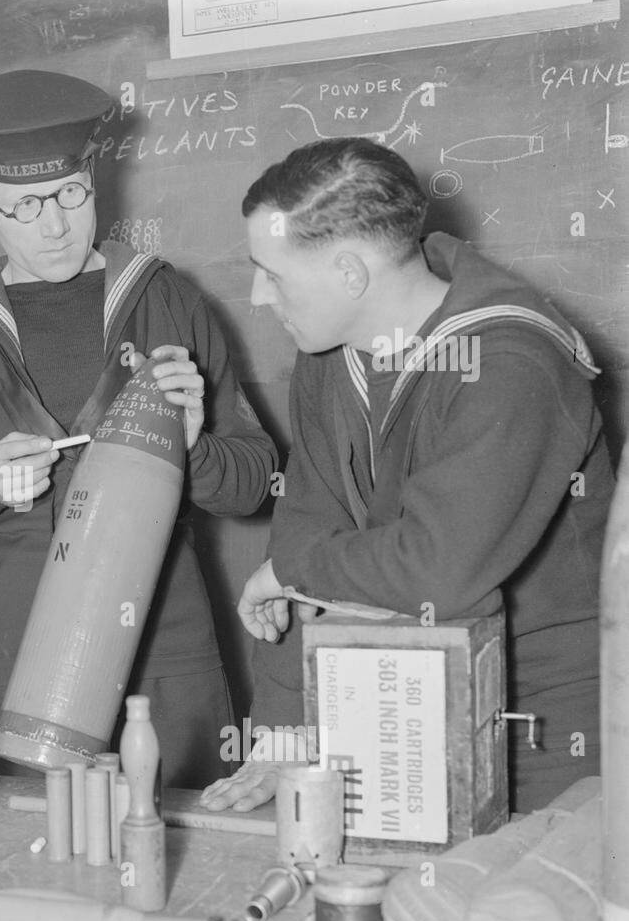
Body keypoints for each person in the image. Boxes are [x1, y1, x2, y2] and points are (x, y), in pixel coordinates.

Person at [0, 70, 277, 787]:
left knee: (188, 857)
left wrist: (193, 444)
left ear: (92, 174)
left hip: (164, 650)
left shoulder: (165, 299)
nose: (53, 225)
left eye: (70, 195)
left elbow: (254, 481)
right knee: (37, 872)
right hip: (23, 659)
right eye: (23, 207)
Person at [202, 137, 613, 815]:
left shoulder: (512, 360)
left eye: (272, 273)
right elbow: (303, 544)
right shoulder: (331, 355)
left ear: (350, 274)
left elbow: (434, 567)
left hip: (548, 738)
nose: (256, 293)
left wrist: (289, 569)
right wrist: (282, 731)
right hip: (403, 715)